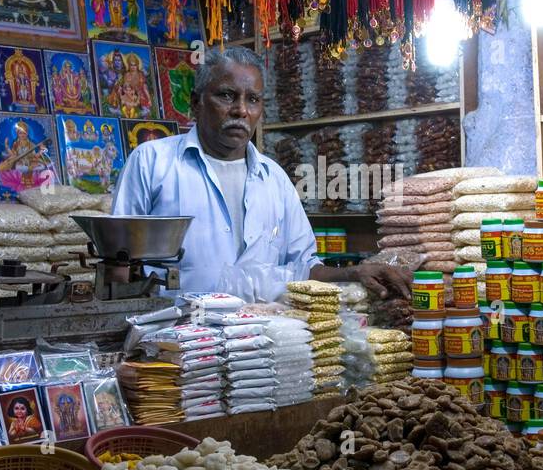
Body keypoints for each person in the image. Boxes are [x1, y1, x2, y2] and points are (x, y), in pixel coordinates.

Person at [113, 47, 411, 301]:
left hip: (258, 352)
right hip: (174, 349)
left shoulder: (274, 179)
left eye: (252, 99)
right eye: (227, 96)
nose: (241, 110)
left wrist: (354, 273)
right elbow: (117, 262)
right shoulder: (152, 163)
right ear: (196, 102)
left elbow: (303, 268)